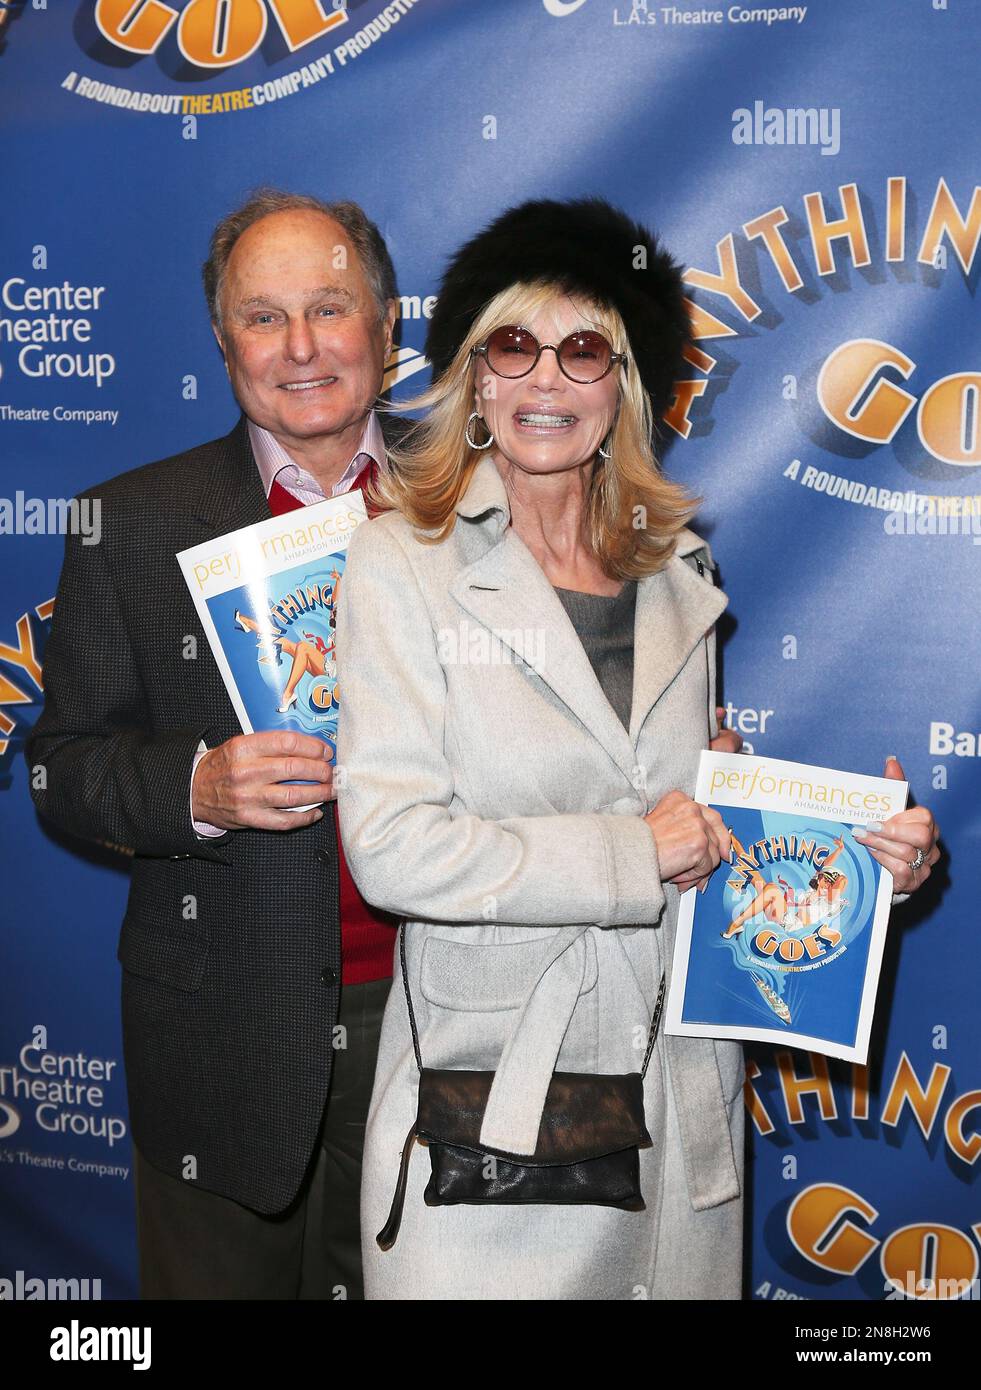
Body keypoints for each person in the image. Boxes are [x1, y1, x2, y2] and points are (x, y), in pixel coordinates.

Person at [334, 197, 941, 1300]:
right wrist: (633, 854)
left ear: (623, 387)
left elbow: (702, 839)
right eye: (513, 346)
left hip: (675, 1091)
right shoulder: (398, 565)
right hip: (497, 1116)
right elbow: (392, 847)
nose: (546, 380)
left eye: (583, 350)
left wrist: (857, 868)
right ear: (475, 378)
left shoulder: (677, 573)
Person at [25, 188, 410, 1299]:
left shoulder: (484, 495)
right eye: (262, 317)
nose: (301, 348)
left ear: (386, 326)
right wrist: (194, 786)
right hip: (220, 1024)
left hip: (441, 1015)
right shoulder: (129, 520)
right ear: (222, 341)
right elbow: (61, 766)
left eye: (329, 308)